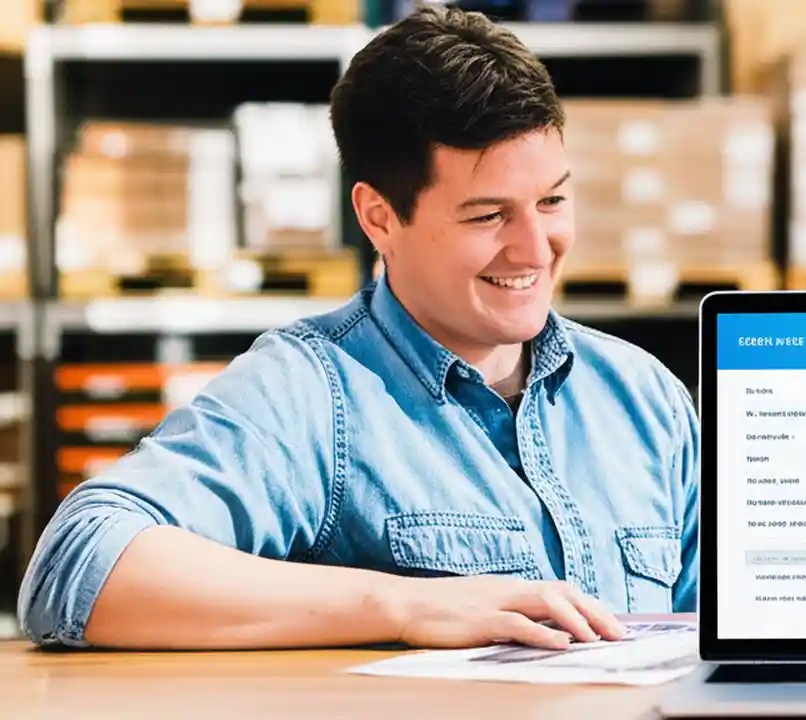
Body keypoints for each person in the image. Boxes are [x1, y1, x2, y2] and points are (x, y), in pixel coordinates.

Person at [18, 6, 699, 651]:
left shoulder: (645, 399)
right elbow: (77, 565)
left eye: (551, 201)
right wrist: (406, 606)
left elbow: (713, 636)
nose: (534, 247)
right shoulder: (313, 394)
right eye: (488, 215)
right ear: (379, 218)